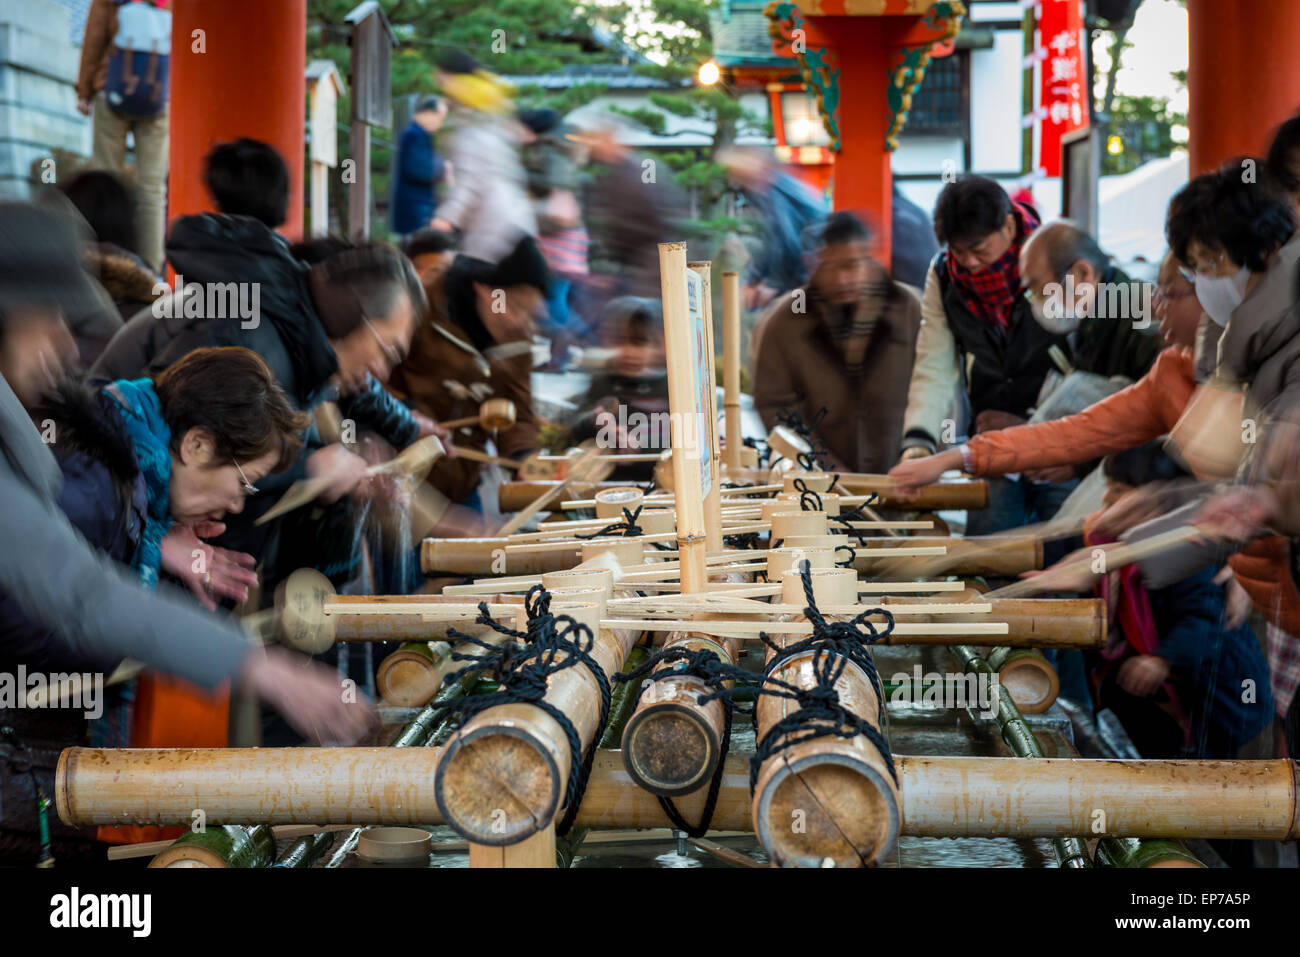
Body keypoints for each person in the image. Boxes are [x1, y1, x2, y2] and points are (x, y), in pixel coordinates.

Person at [0, 203, 374, 864]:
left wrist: (154, 540)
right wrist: (260, 667)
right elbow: (74, 595)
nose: (62, 340)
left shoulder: (115, 470)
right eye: (47, 315)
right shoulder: (95, 483)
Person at [1086, 442, 1273, 761]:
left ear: (1155, 501)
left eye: (1119, 490)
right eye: (1109, 487)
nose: (1107, 500)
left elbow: (1206, 620)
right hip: (1174, 688)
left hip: (1218, 691)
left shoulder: (1185, 553)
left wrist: (1161, 660)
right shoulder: (1118, 545)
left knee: (1214, 771)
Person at [388, 231, 549, 516]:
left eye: (530, 313)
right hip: (401, 472)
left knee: (475, 543)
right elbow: (374, 377)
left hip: (462, 480)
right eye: (516, 307)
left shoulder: (518, 341)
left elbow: (519, 414)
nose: (521, 322)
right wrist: (406, 412)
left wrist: (524, 459)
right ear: (486, 291)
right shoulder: (423, 306)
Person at [752, 212, 921, 473]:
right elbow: (775, 405)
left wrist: (918, 453)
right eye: (830, 267)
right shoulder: (785, 320)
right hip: (819, 482)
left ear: (869, 257)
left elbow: (934, 384)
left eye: (851, 265)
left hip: (903, 474)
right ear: (813, 263)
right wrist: (822, 466)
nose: (842, 279)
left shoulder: (909, 308)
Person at [75, 0, 171, 273]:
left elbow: (94, 40)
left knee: (106, 180)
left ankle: (106, 263)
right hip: (158, 98)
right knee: (152, 190)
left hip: (112, 89)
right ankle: (151, 271)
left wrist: (84, 91)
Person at [430, 52, 536, 264]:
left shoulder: (469, 133)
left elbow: (468, 183)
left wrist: (445, 218)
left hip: (491, 229)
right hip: (517, 225)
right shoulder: (493, 124)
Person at [580, 118, 687, 300]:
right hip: (630, 262)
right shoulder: (612, 173)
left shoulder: (645, 167)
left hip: (651, 259)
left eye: (601, 140)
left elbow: (659, 212)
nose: (596, 147)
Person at [569, 297, 669, 483]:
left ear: (660, 344)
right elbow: (575, 429)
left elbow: (683, 437)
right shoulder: (603, 384)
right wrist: (596, 420)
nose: (628, 352)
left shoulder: (670, 387)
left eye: (639, 343)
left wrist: (637, 445)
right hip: (609, 485)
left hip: (661, 484)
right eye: (618, 342)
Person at [720, 147, 827, 311]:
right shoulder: (764, 190)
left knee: (796, 317)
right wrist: (753, 279)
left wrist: (772, 285)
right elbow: (770, 242)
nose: (736, 179)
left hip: (807, 268)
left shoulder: (775, 191)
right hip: (800, 267)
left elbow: (787, 242)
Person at [391, 96, 449, 238]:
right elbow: (422, 169)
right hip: (415, 206)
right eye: (440, 118)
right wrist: (444, 167)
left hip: (415, 205)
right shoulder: (415, 134)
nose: (440, 124)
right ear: (428, 113)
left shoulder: (417, 133)